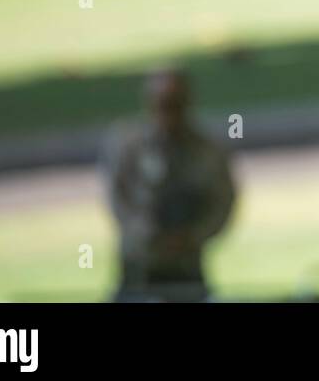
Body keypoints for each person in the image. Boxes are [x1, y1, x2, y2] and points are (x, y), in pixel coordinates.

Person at [101, 67, 237, 301]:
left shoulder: (207, 150)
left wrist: (192, 237)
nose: (170, 113)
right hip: (138, 268)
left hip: (187, 268)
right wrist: (149, 235)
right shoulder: (129, 146)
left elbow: (223, 202)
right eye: (163, 104)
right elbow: (117, 198)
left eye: (176, 104)